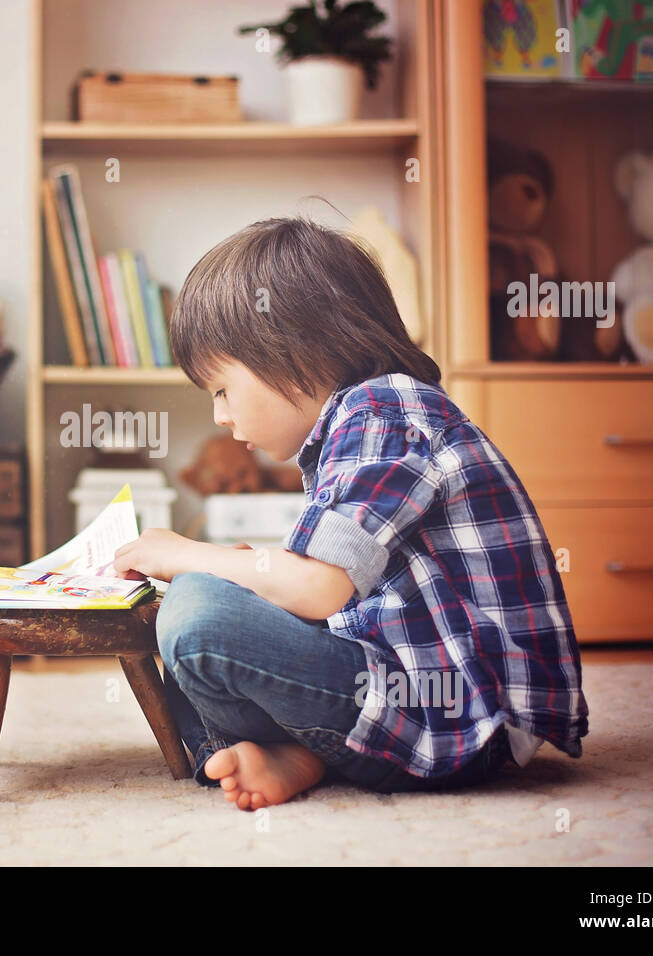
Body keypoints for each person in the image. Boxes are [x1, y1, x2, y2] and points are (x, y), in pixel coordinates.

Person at [111, 214, 589, 811]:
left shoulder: (382, 412)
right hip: (413, 685)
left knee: (194, 614)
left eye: (222, 389)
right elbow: (330, 588)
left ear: (292, 353)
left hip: (463, 713)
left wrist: (189, 555)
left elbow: (319, 589)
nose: (220, 417)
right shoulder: (359, 421)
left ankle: (289, 747)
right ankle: (301, 753)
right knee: (198, 600)